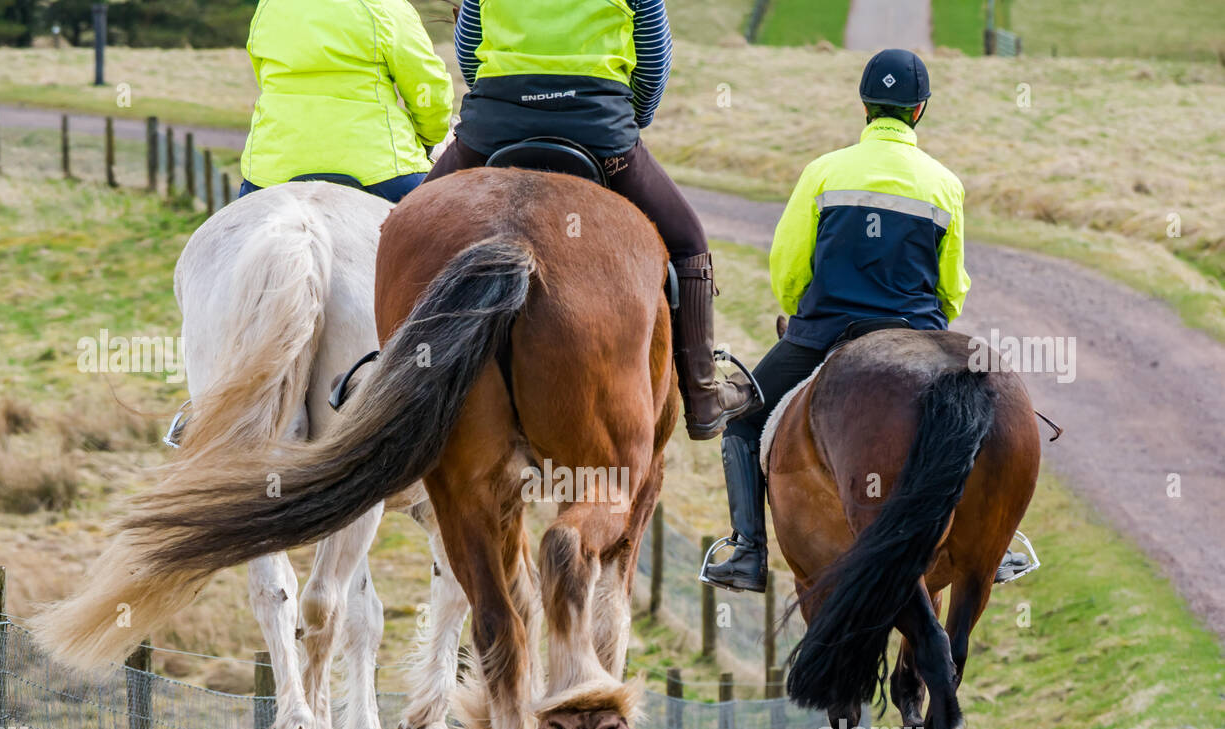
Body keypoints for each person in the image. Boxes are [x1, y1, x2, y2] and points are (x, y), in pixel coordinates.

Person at [702, 48, 992, 593]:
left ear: (865, 106)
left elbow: (788, 264)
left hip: (823, 333)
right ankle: (997, 545)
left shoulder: (824, 171)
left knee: (742, 423)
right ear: (919, 110)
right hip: (916, 336)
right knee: (986, 424)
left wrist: (799, 309)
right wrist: (932, 326)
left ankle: (747, 550)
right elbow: (952, 287)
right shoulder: (943, 184)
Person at [425, 0, 761, 440]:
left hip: (494, 125)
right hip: (598, 132)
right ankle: (702, 397)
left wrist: (501, 99)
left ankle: (383, 373)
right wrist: (630, 118)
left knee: (407, 222)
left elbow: (468, 44)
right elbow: (655, 54)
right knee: (688, 241)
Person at [238, 0, 453, 204]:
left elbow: (263, 76)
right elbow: (427, 86)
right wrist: (428, 137)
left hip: (273, 165)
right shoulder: (385, 6)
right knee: (444, 229)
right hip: (379, 165)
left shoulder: (268, 6)